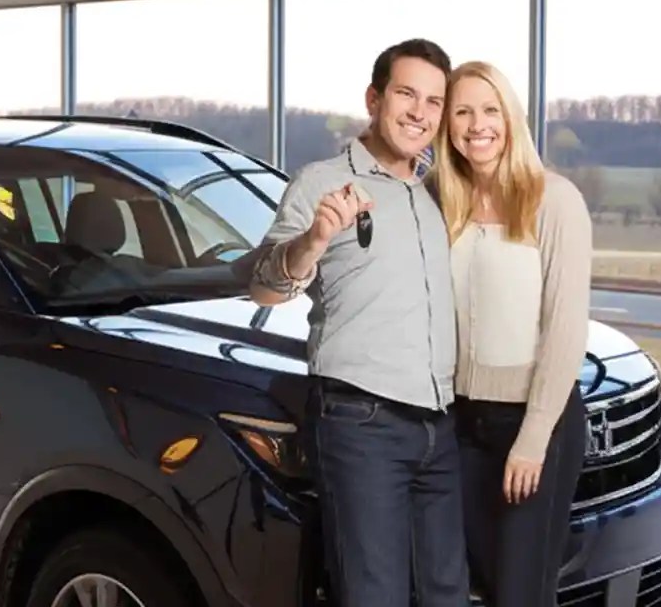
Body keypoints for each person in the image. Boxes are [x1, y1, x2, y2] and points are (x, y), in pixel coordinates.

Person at [249, 38, 469, 607]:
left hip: (438, 428)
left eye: (434, 101)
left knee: (446, 596)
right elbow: (264, 287)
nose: (420, 112)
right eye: (405, 94)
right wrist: (315, 239)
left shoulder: (431, 196)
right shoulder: (321, 182)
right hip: (361, 423)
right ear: (374, 98)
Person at [430, 60, 593, 607]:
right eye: (463, 111)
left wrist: (534, 436)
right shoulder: (439, 198)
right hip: (458, 422)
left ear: (511, 116)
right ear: (447, 124)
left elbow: (566, 326)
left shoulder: (554, 200)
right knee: (477, 585)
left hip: (533, 424)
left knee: (521, 593)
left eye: (490, 110)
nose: (478, 125)